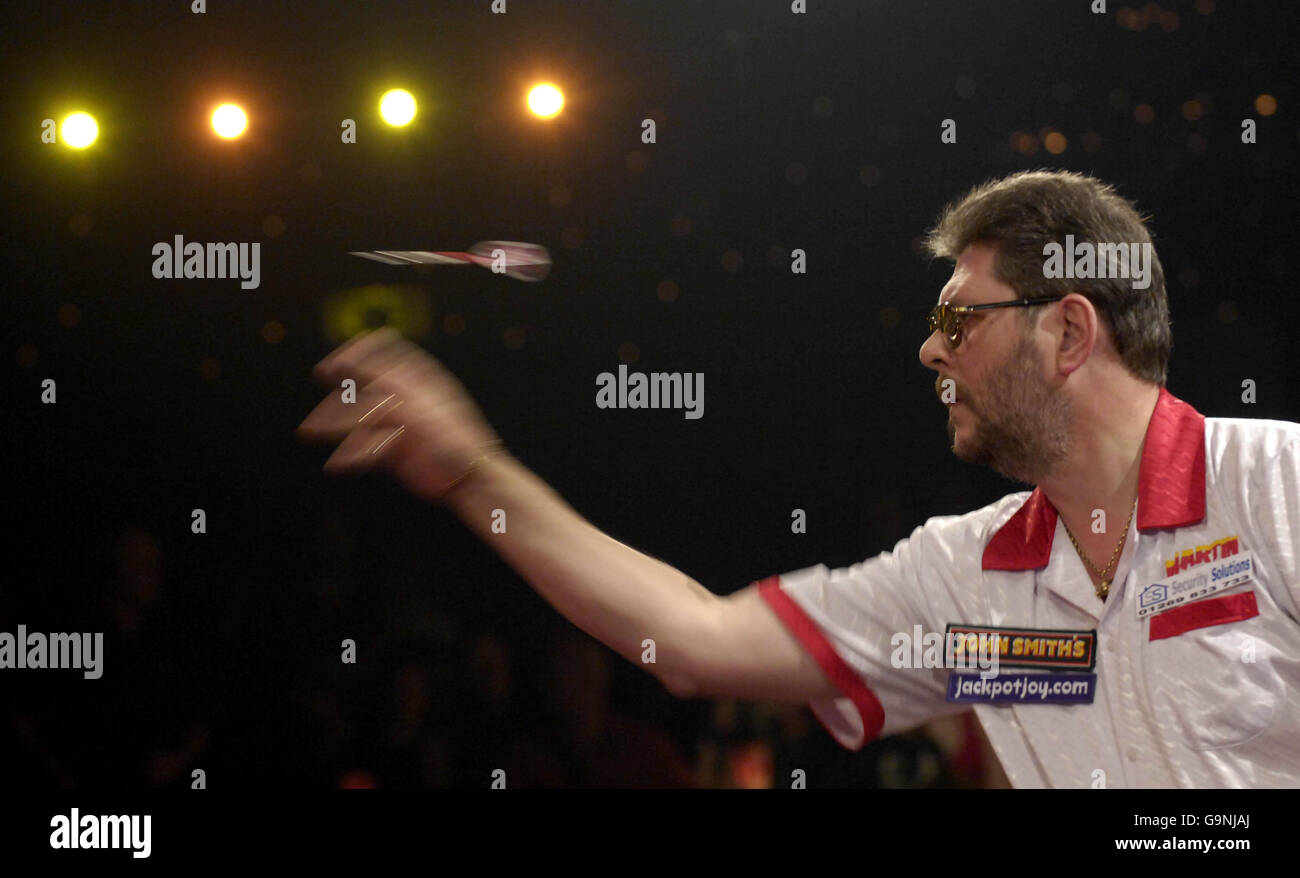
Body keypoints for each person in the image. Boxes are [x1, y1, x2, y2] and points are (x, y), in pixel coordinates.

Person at [297, 170, 1300, 788]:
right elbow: (693, 641)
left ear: (1068, 329)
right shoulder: (966, 574)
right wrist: (475, 472)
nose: (927, 350)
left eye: (958, 319)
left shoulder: (1277, 486)